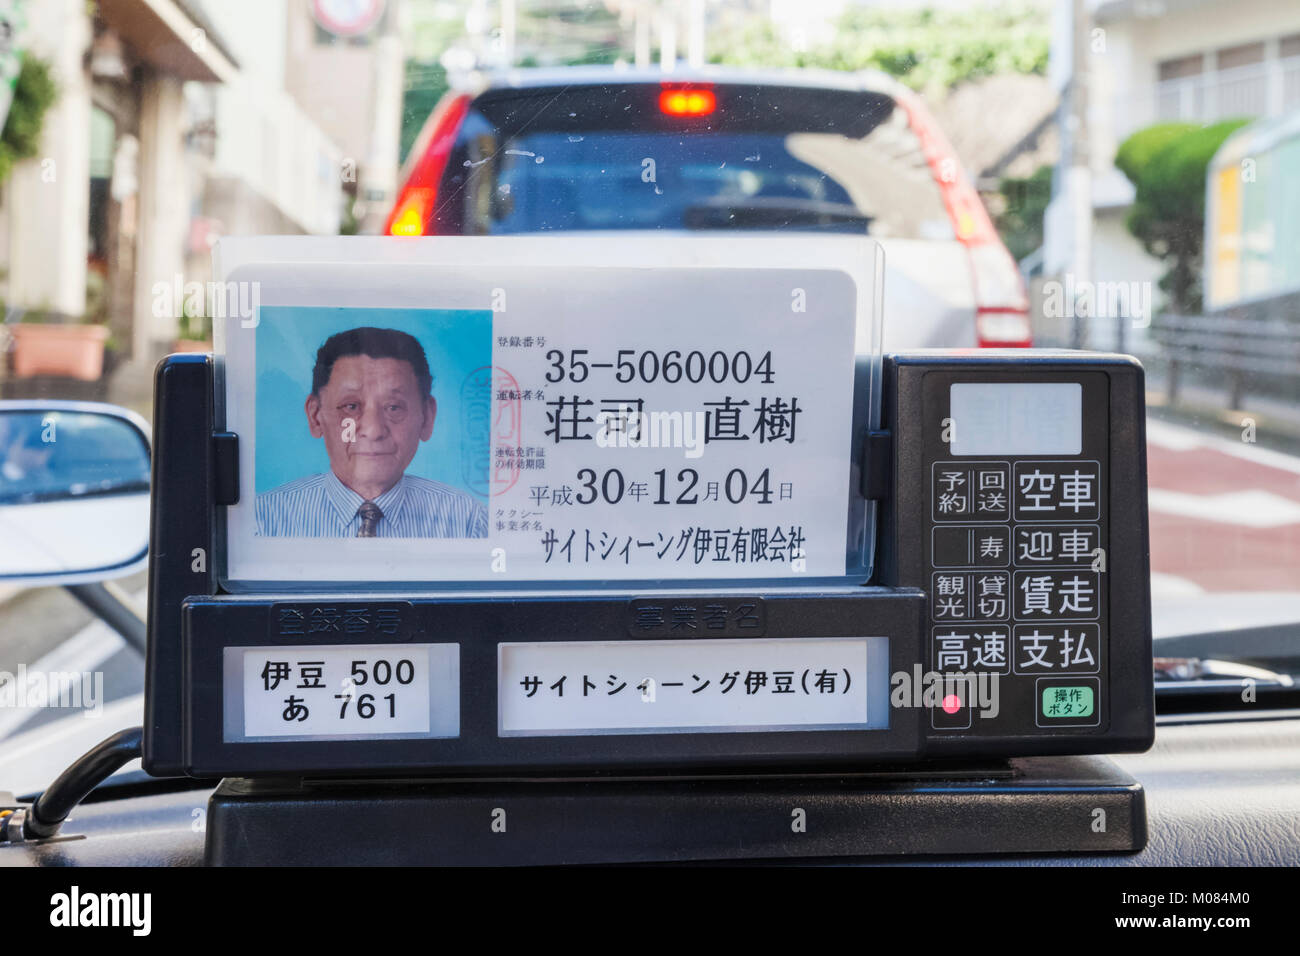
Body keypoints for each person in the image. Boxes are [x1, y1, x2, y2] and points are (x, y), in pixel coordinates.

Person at [255, 326, 488, 538]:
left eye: (393, 407)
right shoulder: (264, 520)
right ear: (316, 415)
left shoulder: (469, 522)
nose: (374, 431)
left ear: (426, 417)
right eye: (351, 407)